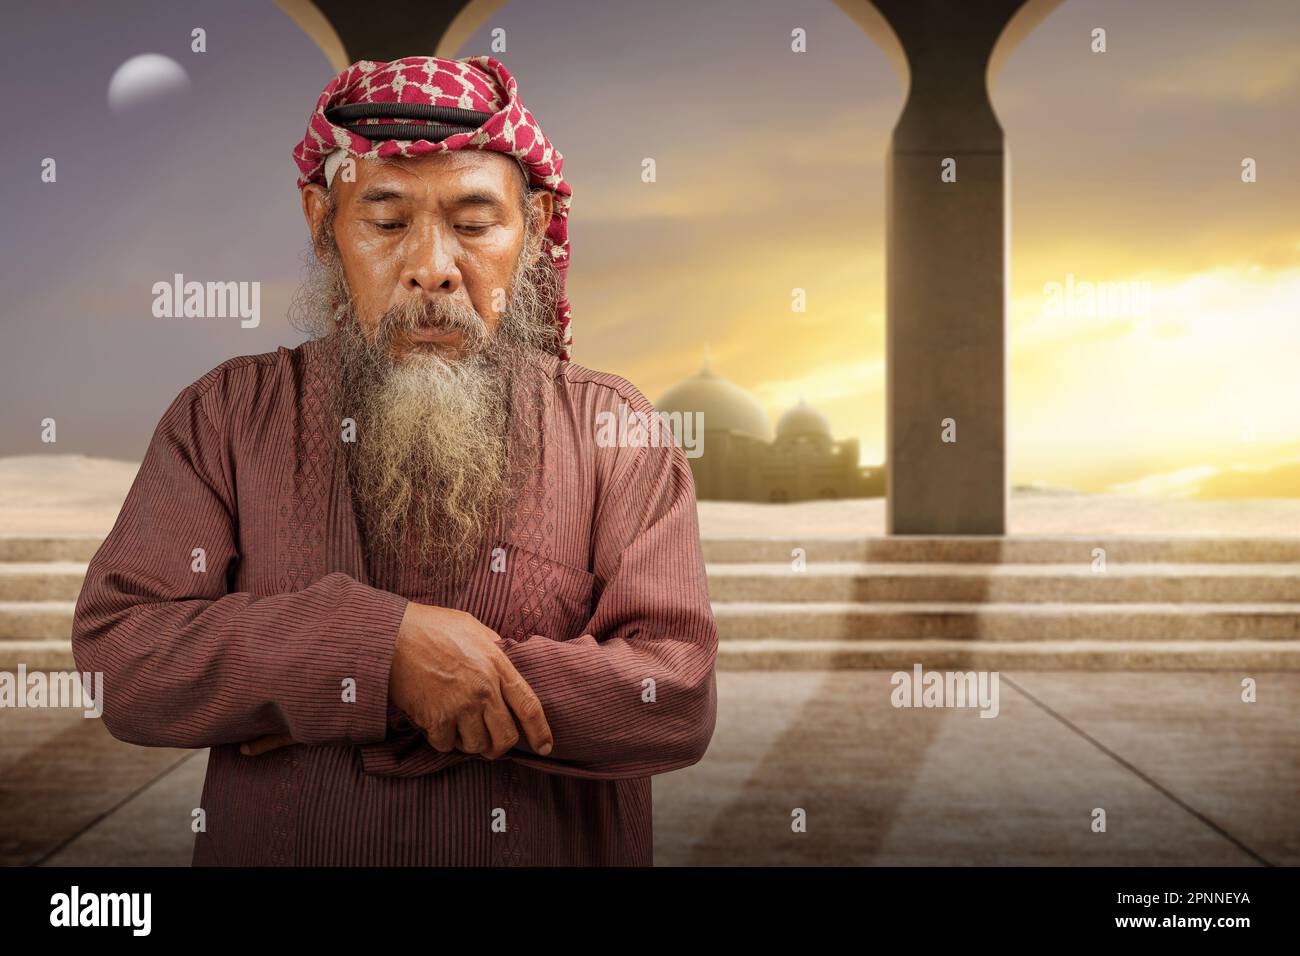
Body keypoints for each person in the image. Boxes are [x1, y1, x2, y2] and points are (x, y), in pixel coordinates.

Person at [71, 54, 718, 866]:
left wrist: (362, 685)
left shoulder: (613, 431)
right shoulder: (226, 419)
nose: (433, 267)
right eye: (385, 221)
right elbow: (123, 660)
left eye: (475, 222)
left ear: (537, 222)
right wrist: (378, 648)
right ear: (320, 221)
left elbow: (672, 696)